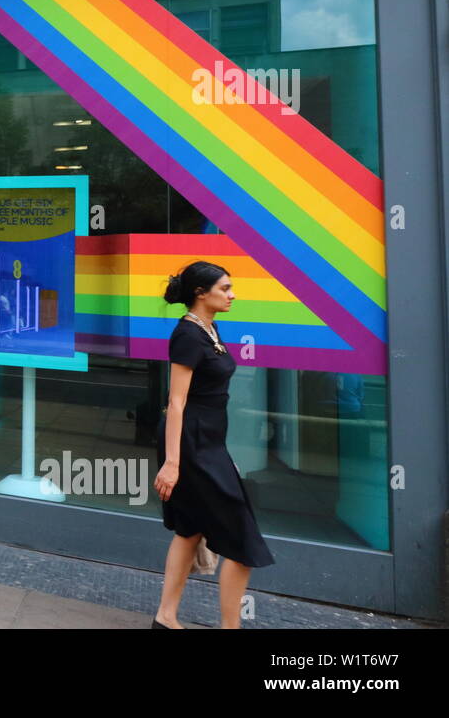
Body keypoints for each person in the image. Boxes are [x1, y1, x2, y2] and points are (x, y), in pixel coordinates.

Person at [152, 261, 273, 629]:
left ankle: (165, 618)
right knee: (243, 542)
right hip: (191, 445)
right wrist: (173, 463)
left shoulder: (209, 329)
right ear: (200, 294)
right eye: (225, 288)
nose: (232, 294)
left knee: (189, 530)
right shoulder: (188, 335)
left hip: (208, 442)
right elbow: (176, 402)